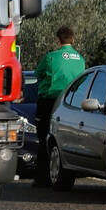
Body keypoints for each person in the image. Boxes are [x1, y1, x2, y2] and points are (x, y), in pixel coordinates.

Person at [32, 25, 86, 184]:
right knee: (65, 138)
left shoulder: (51, 57)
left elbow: (38, 73)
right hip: (71, 103)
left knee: (43, 138)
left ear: (57, 40)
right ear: (73, 39)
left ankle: (42, 178)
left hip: (49, 101)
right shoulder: (80, 59)